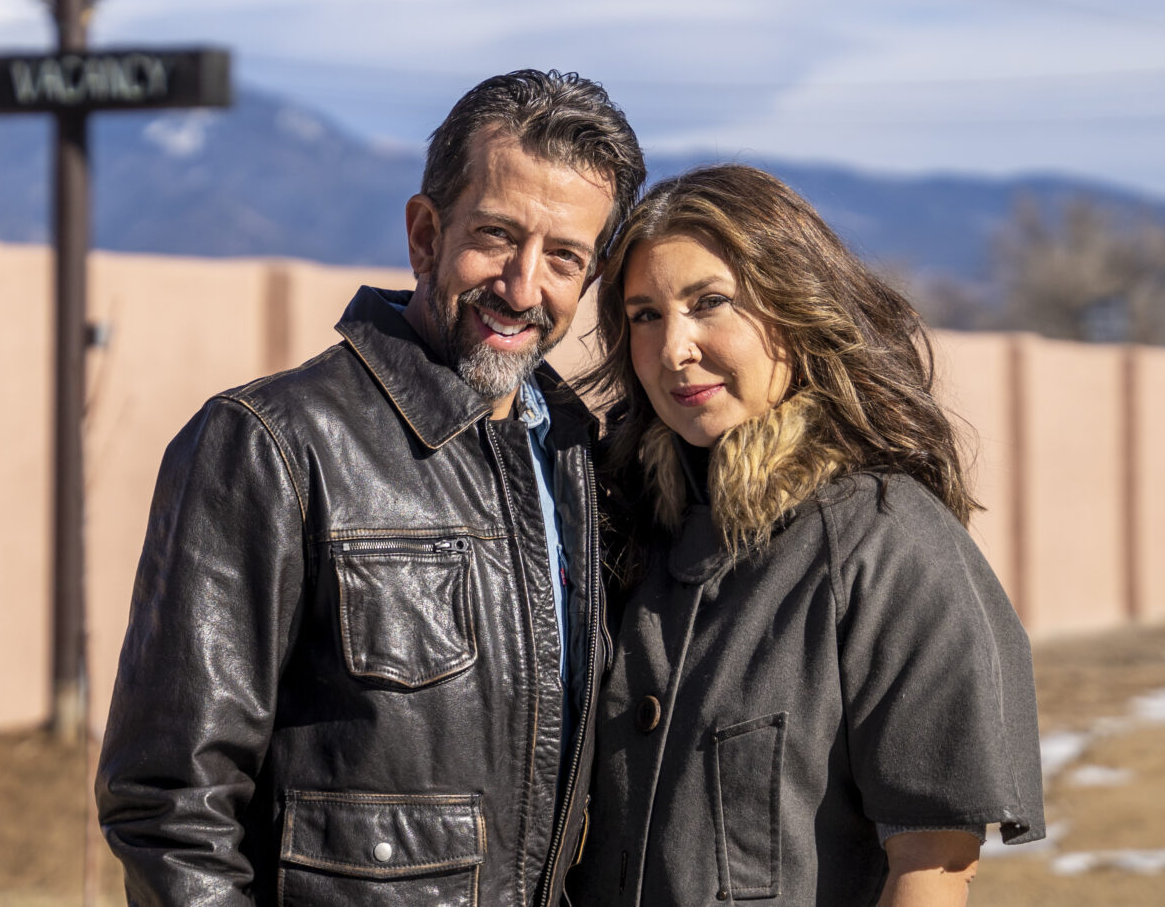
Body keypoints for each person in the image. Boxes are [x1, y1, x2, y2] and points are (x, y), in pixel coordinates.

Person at [97, 70, 646, 907]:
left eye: (563, 256)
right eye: (496, 235)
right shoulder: (271, 444)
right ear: (425, 234)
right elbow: (170, 807)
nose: (524, 286)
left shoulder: (578, 458)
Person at [570, 165, 1044, 907]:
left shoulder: (887, 543)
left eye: (710, 303)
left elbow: (934, 863)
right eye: (645, 315)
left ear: (795, 305)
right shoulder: (619, 530)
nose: (675, 349)